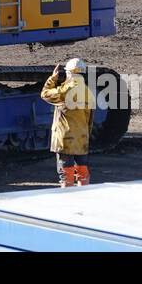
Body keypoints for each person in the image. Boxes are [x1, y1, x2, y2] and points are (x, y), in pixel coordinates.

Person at [41, 58, 94, 188]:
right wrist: (86, 135)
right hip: (81, 136)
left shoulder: (65, 91)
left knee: (66, 171)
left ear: (69, 73)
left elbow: (45, 94)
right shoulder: (88, 92)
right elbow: (90, 118)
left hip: (65, 138)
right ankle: (84, 193)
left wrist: (52, 79)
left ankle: (67, 194)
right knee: (82, 170)